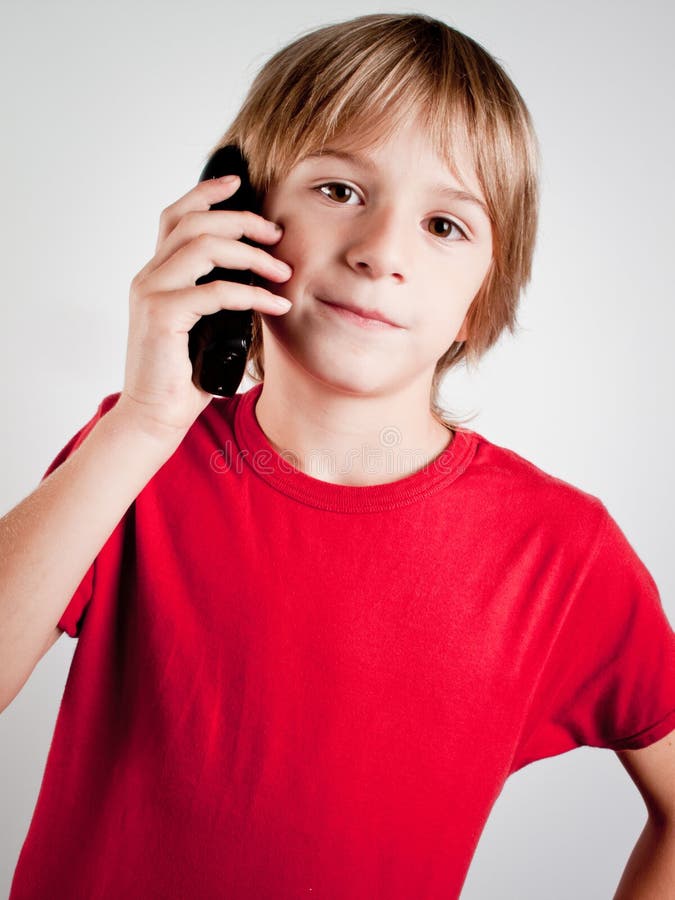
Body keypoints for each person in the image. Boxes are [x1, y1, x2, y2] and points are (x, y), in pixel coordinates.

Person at [2, 12, 674, 900]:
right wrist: (145, 417)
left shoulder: (561, 551)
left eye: (443, 225)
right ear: (238, 216)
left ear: (481, 298)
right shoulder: (131, 456)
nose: (380, 253)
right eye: (340, 192)